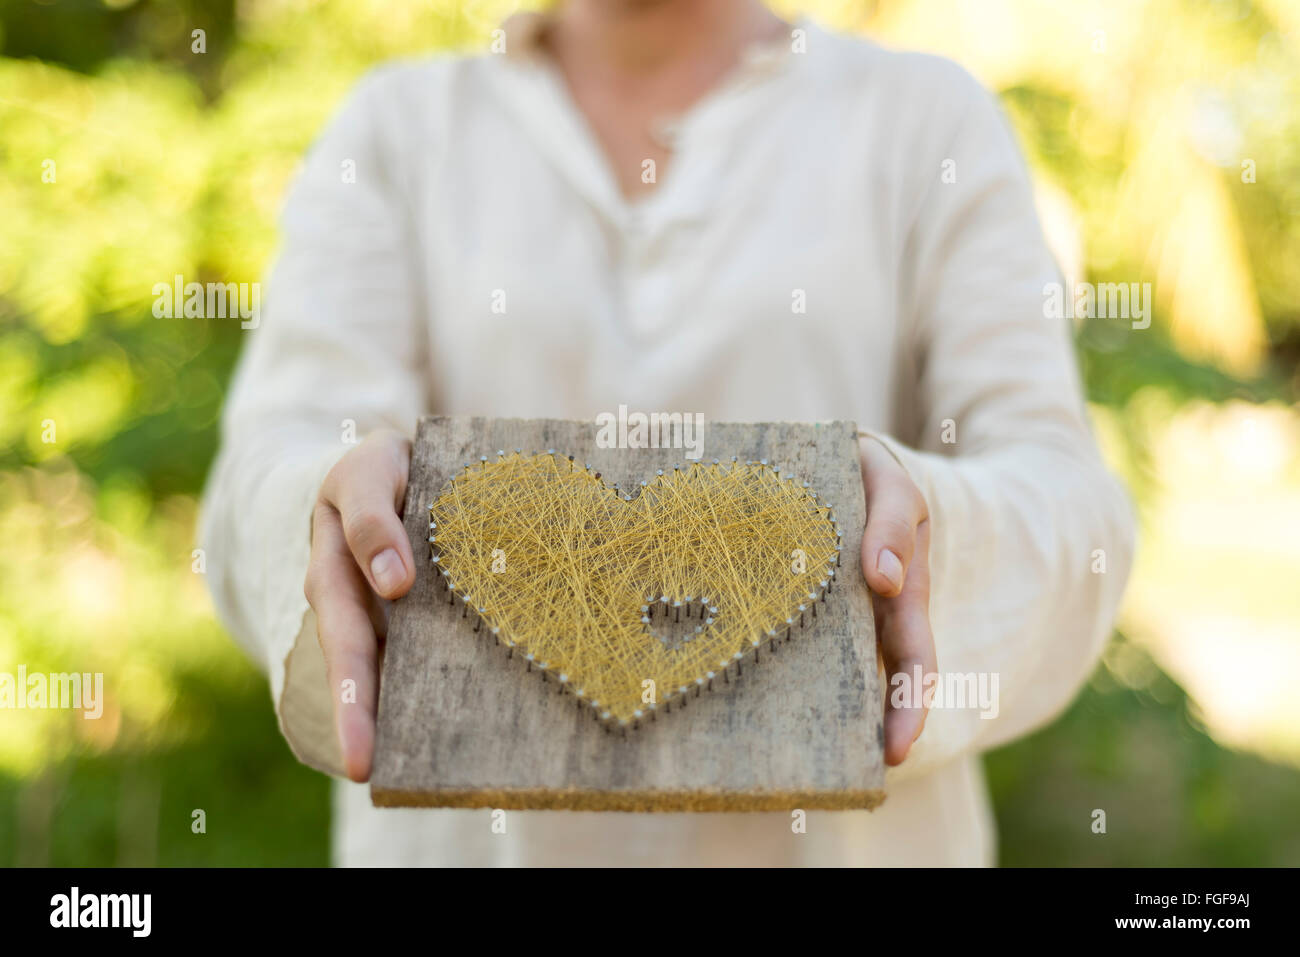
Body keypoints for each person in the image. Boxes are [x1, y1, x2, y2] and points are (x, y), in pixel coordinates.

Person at [200, 0, 1134, 866]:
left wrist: (927, 520)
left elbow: (1067, 501)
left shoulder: (927, 122)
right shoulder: (397, 128)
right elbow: (266, 471)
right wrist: (325, 501)